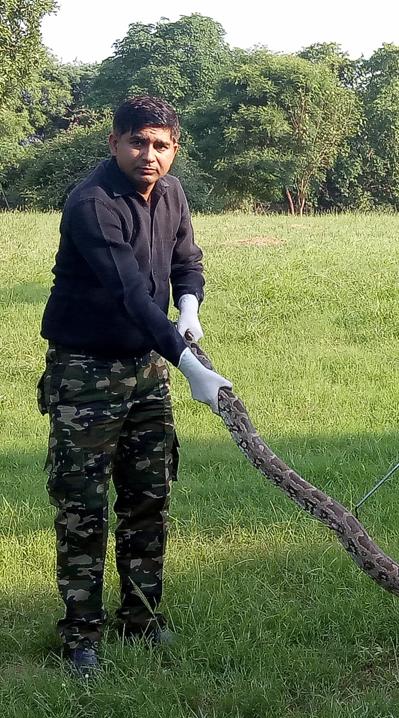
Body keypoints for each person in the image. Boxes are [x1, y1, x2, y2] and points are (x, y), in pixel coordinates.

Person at [37, 96, 232, 678]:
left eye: (162, 145)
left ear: (175, 148)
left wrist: (190, 306)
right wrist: (191, 365)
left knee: (149, 496)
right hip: (86, 373)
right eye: (138, 142)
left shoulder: (171, 193)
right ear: (114, 142)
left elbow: (186, 260)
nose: (150, 156)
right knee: (84, 506)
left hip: (146, 368)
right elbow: (129, 293)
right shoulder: (92, 204)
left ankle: (142, 619)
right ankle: (80, 639)